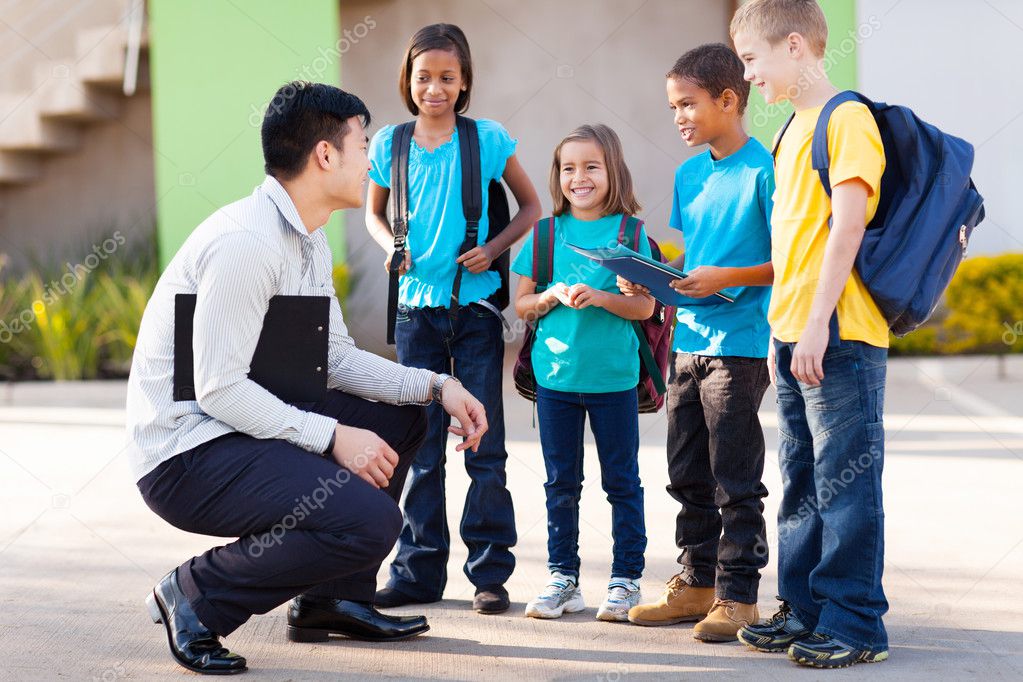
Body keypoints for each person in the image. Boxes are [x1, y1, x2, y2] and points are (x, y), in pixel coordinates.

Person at [127, 81, 489, 675]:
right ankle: (196, 594)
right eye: (364, 143)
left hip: (239, 424)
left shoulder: (307, 236)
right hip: (185, 453)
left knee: (406, 413)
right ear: (326, 155)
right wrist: (330, 436)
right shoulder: (247, 241)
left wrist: (436, 384)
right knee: (371, 523)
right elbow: (217, 388)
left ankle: (332, 599)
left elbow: (337, 358)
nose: (374, 159)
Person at [731, 0, 891, 668]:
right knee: (799, 478)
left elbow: (846, 229)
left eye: (750, 60)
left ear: (793, 46)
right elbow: (791, 244)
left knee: (844, 485)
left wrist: (817, 326)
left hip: (840, 338)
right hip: (793, 335)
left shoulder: (845, 118)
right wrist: (780, 335)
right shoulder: (789, 128)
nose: (748, 78)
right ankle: (802, 610)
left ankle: (855, 625)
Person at [365, 23, 540, 615]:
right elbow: (372, 215)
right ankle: (417, 572)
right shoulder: (390, 144)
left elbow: (532, 206)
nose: (434, 88)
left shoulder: (486, 139)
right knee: (422, 446)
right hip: (417, 312)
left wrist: (493, 250)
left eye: (447, 77)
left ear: (464, 83)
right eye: (424, 77)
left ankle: (490, 573)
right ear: (408, 82)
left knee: (482, 444)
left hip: (475, 312)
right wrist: (391, 243)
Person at [622, 43, 775, 643]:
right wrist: (653, 272)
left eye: (688, 104)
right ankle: (697, 583)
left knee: (734, 474)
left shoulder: (765, 168)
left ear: (729, 100)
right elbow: (696, 259)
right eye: (673, 107)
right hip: (688, 341)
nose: (679, 116)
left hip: (741, 343)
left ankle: (740, 596)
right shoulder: (689, 174)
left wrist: (721, 278)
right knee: (686, 469)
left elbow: (785, 262)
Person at [512, 124, 653, 622]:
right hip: (556, 382)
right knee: (560, 483)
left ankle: (626, 579)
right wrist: (549, 296)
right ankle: (562, 579)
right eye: (569, 168)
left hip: (614, 379)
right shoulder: (545, 234)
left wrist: (605, 297)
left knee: (622, 481)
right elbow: (522, 304)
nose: (580, 177)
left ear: (612, 170)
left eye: (591, 166)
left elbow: (645, 310)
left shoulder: (632, 234)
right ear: (558, 176)